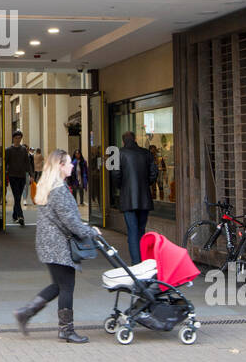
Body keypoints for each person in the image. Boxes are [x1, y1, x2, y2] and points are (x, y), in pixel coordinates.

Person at [13, 149, 103, 343]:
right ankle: (66, 330)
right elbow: (70, 221)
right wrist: (91, 232)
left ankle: (26, 313)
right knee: (67, 286)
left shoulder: (51, 186)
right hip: (57, 246)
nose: (72, 166)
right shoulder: (59, 190)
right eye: (69, 163)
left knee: (58, 285)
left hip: (50, 244)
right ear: (60, 166)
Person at [111, 132, 156, 264]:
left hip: (128, 198)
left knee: (132, 231)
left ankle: (136, 263)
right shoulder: (146, 153)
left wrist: (122, 187)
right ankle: (143, 261)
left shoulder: (118, 153)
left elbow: (115, 174)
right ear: (135, 139)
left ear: (123, 141)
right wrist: (146, 184)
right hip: (144, 198)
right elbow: (154, 173)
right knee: (141, 230)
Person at [5, 131, 31, 226]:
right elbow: (5, 163)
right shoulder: (8, 150)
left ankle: (14, 215)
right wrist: (4, 174)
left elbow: (27, 163)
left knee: (18, 197)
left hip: (22, 176)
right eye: (16, 138)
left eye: (19, 138)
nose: (18, 139)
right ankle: (21, 216)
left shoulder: (23, 149)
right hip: (12, 176)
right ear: (13, 138)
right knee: (16, 196)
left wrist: (31, 175)